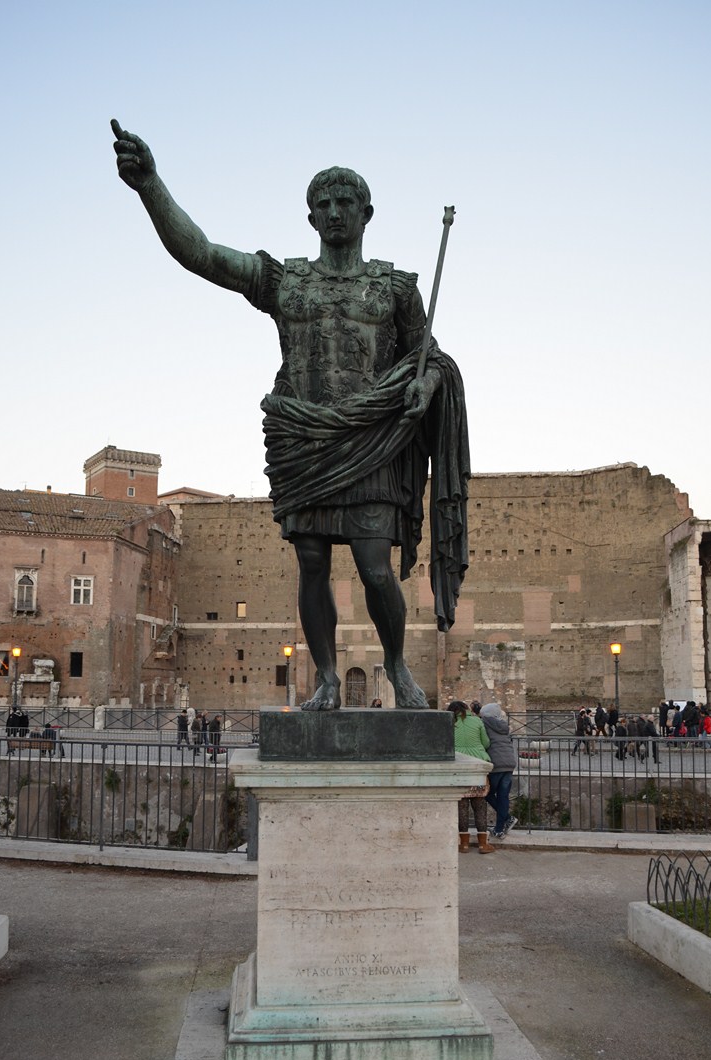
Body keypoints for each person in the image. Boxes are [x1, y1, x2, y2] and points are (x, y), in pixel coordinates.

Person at [112, 122, 469, 712]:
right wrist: (151, 185)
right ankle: (327, 678)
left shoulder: (396, 288)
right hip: (303, 439)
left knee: (376, 567)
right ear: (310, 218)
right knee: (310, 561)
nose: (333, 212)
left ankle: (399, 668)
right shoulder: (288, 283)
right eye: (322, 205)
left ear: (366, 213)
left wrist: (427, 384)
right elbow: (201, 255)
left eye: (344, 203)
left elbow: (427, 357)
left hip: (370, 443)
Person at [447, 700, 493, 853]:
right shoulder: (477, 721)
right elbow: (486, 742)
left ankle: (464, 844)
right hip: (478, 766)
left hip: (459, 767)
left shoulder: (449, 723)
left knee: (462, 806)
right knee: (480, 806)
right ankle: (482, 844)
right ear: (466, 709)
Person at [480, 703, 517, 839]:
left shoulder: (484, 723)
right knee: (503, 796)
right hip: (509, 763)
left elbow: (484, 742)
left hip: (496, 763)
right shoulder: (503, 725)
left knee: (487, 793)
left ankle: (508, 818)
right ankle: (499, 829)